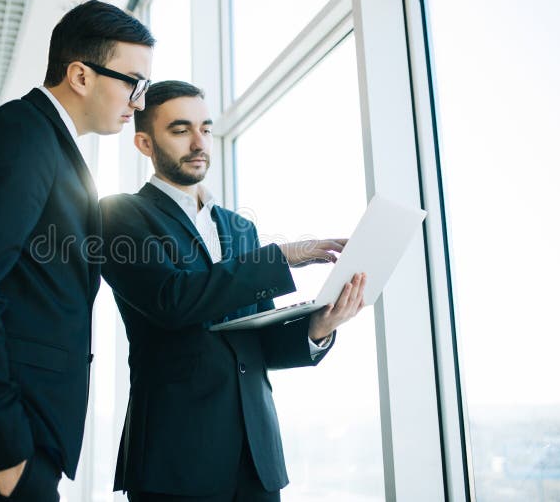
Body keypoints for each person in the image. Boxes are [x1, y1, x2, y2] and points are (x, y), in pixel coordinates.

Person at [0, 0, 154, 502]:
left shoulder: (47, 142)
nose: (139, 101)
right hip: (0, 438)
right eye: (134, 82)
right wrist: (7, 452)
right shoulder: (22, 136)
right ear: (81, 75)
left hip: (25, 429)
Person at [100, 80, 367, 502]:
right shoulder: (120, 215)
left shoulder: (240, 229)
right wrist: (279, 257)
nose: (198, 141)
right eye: (180, 129)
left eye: (205, 128)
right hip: (175, 462)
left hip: (256, 460)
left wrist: (319, 326)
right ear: (144, 142)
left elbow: (257, 342)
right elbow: (174, 300)